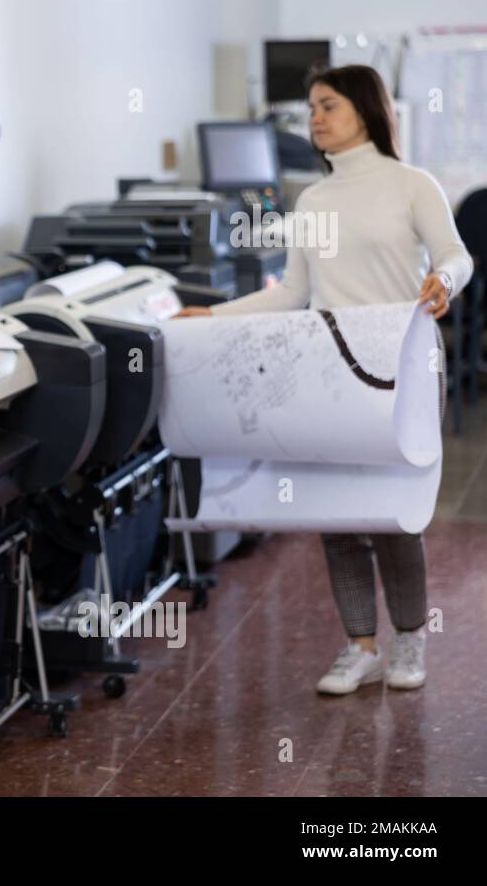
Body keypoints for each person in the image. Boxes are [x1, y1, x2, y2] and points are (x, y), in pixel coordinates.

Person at [175, 64, 473, 695]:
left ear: (364, 110)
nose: (313, 119)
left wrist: (444, 280)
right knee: (337, 516)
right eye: (311, 108)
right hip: (331, 372)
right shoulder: (312, 200)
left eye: (327, 105)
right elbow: (294, 295)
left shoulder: (410, 184)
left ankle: (411, 641)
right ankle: (360, 645)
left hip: (405, 367)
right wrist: (212, 315)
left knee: (397, 513)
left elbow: (456, 254)